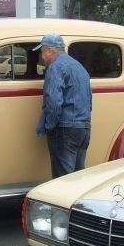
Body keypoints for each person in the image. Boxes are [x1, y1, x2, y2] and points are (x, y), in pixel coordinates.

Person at [34, 33, 92, 177]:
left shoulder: (55, 67)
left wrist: (49, 126)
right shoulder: (79, 67)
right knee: (78, 177)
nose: (42, 57)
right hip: (83, 127)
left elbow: (53, 101)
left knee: (63, 179)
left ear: (49, 50)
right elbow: (89, 100)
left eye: (42, 52)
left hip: (65, 128)